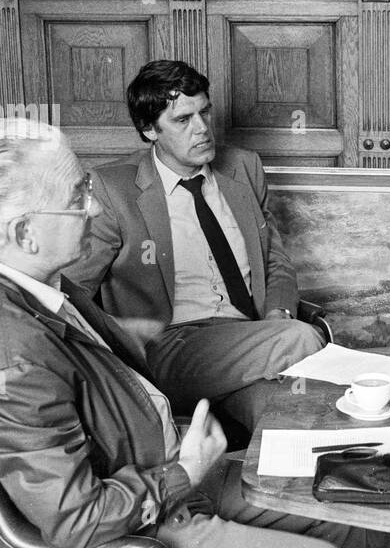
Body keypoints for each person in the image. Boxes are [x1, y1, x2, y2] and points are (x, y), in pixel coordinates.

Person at [0, 118, 373, 548]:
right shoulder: (8, 358)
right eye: (76, 198)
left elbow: (70, 363)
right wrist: (183, 472)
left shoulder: (8, 275)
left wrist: (120, 339)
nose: (92, 209)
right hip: (134, 536)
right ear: (25, 231)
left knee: (337, 507)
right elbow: (75, 521)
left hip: (148, 480)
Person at [64, 60, 323, 435]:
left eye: (204, 112)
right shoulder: (112, 188)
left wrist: (279, 313)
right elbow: (73, 292)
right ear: (149, 129)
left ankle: (258, 492)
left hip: (251, 339)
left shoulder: (244, 167)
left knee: (285, 416)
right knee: (302, 336)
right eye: (183, 120)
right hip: (170, 347)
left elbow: (273, 259)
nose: (202, 129)